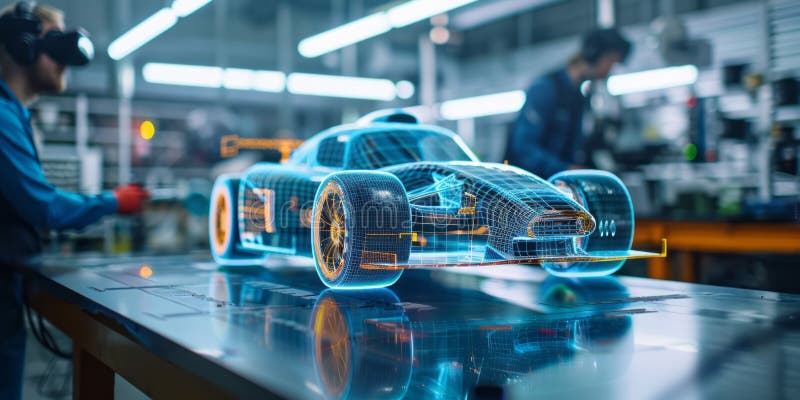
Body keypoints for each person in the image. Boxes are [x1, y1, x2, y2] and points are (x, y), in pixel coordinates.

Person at [0, 3, 148, 399]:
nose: (66, 60)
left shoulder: (12, 115)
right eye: (56, 44)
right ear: (23, 45)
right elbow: (43, 205)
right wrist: (113, 201)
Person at [505, 28, 631, 178]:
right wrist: (565, 170)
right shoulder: (545, 88)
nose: (610, 71)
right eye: (610, 63)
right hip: (526, 186)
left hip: (555, 185)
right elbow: (524, 148)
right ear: (594, 55)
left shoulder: (579, 98)